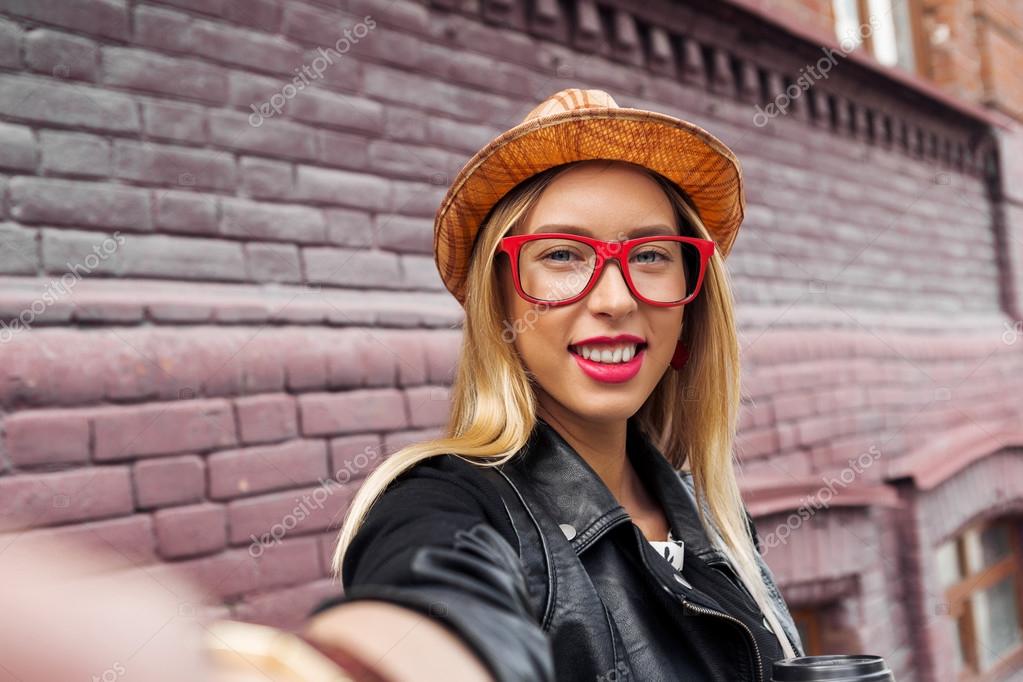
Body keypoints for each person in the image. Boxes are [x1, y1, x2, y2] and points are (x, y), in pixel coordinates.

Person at [301, 88, 805, 682]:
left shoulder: (711, 514)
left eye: (649, 255)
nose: (615, 299)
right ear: (500, 302)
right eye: (564, 254)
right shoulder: (448, 509)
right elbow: (428, 622)